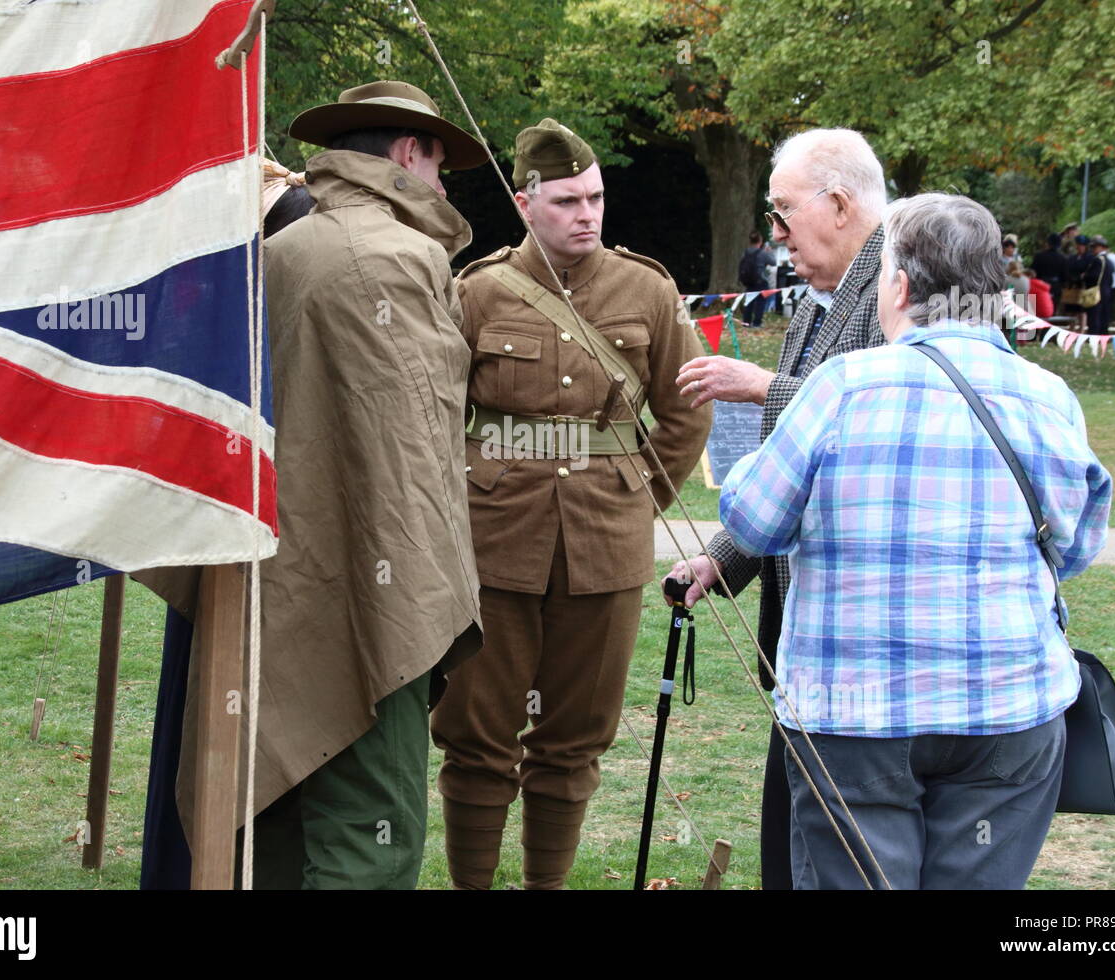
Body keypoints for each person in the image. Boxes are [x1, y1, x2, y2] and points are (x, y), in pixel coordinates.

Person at [139, 80, 492, 890]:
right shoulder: (399, 258)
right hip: (369, 601)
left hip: (269, 588)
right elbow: (411, 467)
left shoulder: (276, 253)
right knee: (373, 838)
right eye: (440, 166)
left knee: (275, 822)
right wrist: (413, 602)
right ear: (410, 153)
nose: (443, 188)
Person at [718, 193, 1111, 889]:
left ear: (896, 286)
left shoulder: (841, 387)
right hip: (1007, 711)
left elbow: (754, 520)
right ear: (993, 289)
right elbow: (1075, 548)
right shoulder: (1048, 396)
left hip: (855, 717)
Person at [430, 119, 712, 889]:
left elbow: (688, 410)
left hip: (605, 549)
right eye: (566, 201)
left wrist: (636, 498)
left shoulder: (647, 290)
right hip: (494, 543)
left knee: (574, 738)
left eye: (595, 197)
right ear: (526, 204)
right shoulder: (479, 290)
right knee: (477, 736)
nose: (587, 213)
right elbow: (434, 416)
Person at [665, 127, 889, 890]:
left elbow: (889, 424)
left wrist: (764, 387)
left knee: (836, 863)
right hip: (806, 655)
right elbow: (790, 479)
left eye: (785, 212)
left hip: (863, 654)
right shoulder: (817, 305)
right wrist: (721, 559)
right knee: (788, 855)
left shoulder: (903, 284)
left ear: (837, 202)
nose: (776, 234)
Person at [738, 230, 775, 327]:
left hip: (748, 281)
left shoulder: (745, 252)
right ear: (760, 241)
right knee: (760, 303)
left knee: (749, 301)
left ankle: (746, 322)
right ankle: (757, 323)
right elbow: (773, 262)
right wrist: (770, 252)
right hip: (760, 281)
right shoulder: (762, 253)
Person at [1063, 234, 1096, 330]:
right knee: (1071, 310)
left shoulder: (1090, 258)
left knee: (1082, 310)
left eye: (1081, 245)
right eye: (1078, 245)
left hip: (1083, 285)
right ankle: (1071, 328)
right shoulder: (1072, 258)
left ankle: (1081, 329)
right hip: (1072, 286)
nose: (1079, 247)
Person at [1087, 236, 1115, 335]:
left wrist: (1084, 277)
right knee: (1104, 316)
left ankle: (1094, 335)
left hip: (1097, 292)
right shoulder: (1109, 261)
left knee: (1095, 316)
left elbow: (1093, 276)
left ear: (1101, 247)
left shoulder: (1098, 260)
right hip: (1106, 291)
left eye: (1095, 247)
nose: (1093, 250)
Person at [1030, 232, 1066, 305]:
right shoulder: (1063, 258)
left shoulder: (1039, 256)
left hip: (1040, 285)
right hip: (1056, 287)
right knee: (1053, 308)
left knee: (1040, 307)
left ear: (1048, 243)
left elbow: (1033, 272)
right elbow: (1065, 275)